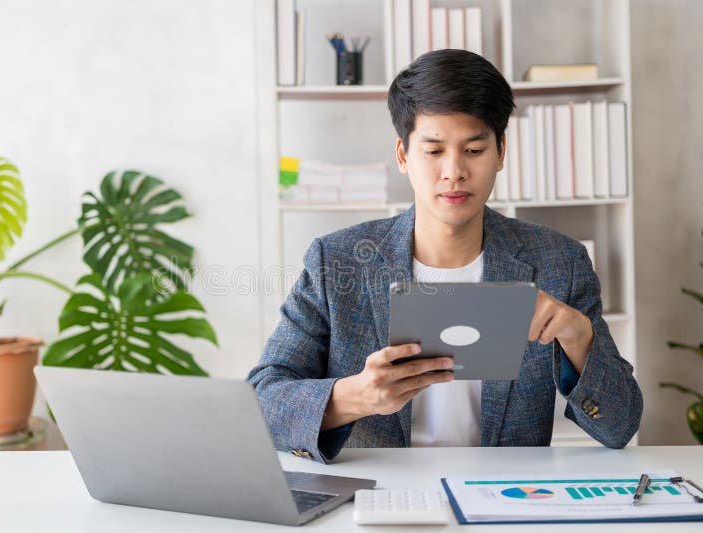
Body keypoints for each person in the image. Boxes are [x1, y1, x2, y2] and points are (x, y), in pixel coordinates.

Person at [247, 49, 642, 463]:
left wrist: (580, 339)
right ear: (403, 155)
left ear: (500, 152)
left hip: (505, 502)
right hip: (379, 499)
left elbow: (620, 425)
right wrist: (356, 396)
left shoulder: (560, 262)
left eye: (473, 150)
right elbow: (262, 400)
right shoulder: (337, 261)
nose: (454, 171)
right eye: (433, 151)